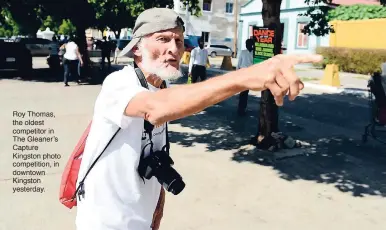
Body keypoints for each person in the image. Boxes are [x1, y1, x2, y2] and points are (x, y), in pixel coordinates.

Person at [75, 7, 322, 230]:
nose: (174, 48)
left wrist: (155, 208)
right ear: (137, 47)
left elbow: (152, 153)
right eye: (162, 39)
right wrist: (245, 77)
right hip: (105, 223)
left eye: (179, 40)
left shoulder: (159, 88)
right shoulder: (119, 83)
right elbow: (155, 109)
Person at [237, 38, 254, 116]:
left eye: (248, 44)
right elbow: (239, 63)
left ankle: (243, 107)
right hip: (243, 72)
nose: (247, 46)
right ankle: (241, 108)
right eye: (246, 44)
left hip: (250, 73)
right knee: (243, 92)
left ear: (251, 45)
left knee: (246, 92)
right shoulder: (243, 52)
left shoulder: (254, 53)